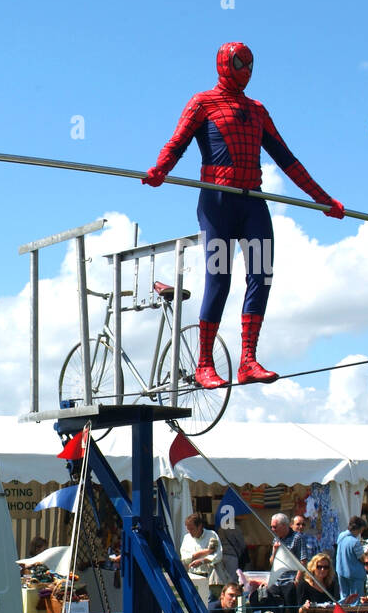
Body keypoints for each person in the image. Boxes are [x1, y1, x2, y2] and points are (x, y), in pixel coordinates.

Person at [143, 41, 343, 386]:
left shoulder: (258, 110)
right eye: (240, 62)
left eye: (251, 64)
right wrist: (161, 169)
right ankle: (205, 363)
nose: (246, 70)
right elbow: (177, 142)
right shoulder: (202, 102)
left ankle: (248, 360)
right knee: (219, 279)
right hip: (218, 202)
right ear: (224, 63)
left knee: (261, 276)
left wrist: (323, 199)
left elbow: (287, 158)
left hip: (253, 203)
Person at [180, 513, 223, 604]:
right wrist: (205, 552)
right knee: (194, 604)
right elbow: (185, 559)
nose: (189, 531)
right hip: (193, 577)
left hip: (210, 579)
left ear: (200, 526)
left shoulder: (211, 535)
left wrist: (202, 561)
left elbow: (218, 555)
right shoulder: (187, 538)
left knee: (209, 604)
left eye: (192, 529)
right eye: (188, 529)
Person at [335, 516, 367, 602]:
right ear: (359, 528)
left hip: (341, 572)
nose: (361, 532)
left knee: (344, 599)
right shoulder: (355, 542)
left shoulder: (341, 536)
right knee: (355, 600)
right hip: (355, 574)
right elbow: (362, 558)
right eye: (361, 529)